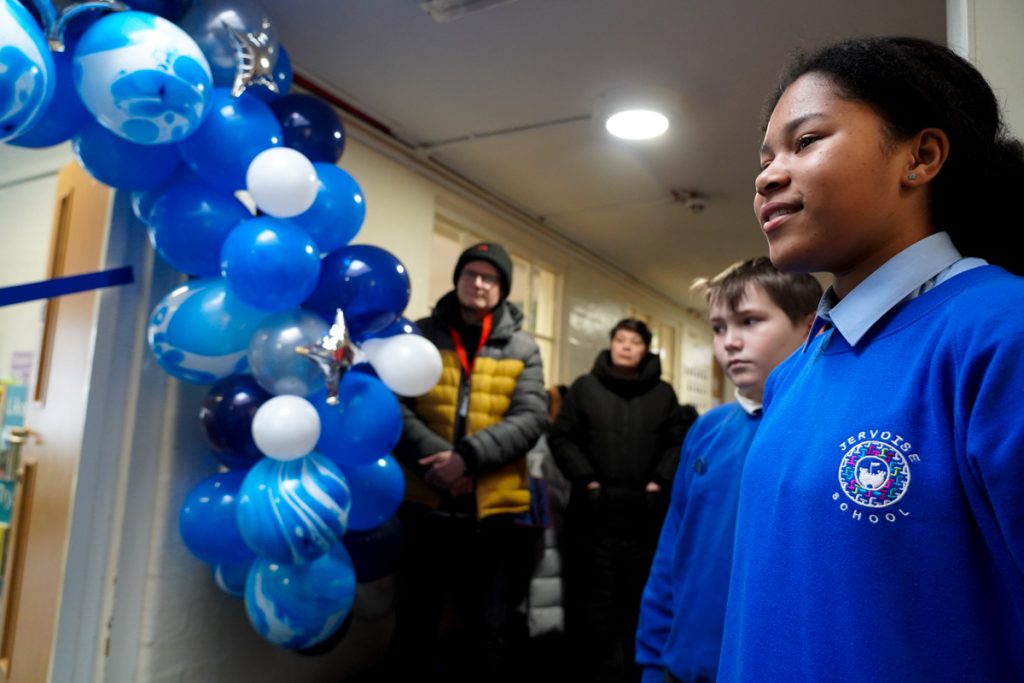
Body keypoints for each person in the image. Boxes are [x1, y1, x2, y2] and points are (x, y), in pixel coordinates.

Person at [717, 36, 1024, 680]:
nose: (766, 177)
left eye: (805, 142)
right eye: (765, 159)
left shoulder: (999, 328)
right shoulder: (791, 375)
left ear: (921, 156)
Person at [635, 258, 821, 683]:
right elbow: (673, 550)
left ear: (810, 328)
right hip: (684, 665)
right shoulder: (707, 430)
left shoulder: (823, 430)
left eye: (750, 321)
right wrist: (652, 659)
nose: (729, 343)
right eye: (718, 328)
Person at [389, 241, 548, 682]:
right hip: (424, 504)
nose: (478, 283)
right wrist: (439, 466)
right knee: (414, 626)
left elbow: (531, 417)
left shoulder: (523, 347)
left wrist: (466, 460)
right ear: (457, 279)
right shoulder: (420, 336)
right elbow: (395, 408)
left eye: (489, 277)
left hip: (491, 515)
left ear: (502, 288)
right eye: (470, 274)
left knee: (486, 633)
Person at [549, 318, 688, 683]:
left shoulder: (663, 394)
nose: (626, 346)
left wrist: (659, 481)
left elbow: (678, 442)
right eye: (620, 339)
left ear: (646, 349)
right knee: (591, 611)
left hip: (644, 522)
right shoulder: (584, 388)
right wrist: (587, 479)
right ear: (611, 344)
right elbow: (561, 436)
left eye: (635, 341)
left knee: (637, 608)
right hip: (592, 519)